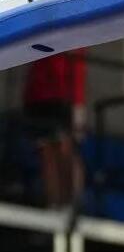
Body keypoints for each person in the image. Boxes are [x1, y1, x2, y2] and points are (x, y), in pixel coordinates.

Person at [22, 48, 86, 208]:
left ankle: (71, 204)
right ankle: (54, 203)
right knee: (46, 152)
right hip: (38, 96)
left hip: (62, 97)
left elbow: (78, 68)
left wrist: (78, 105)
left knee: (65, 149)